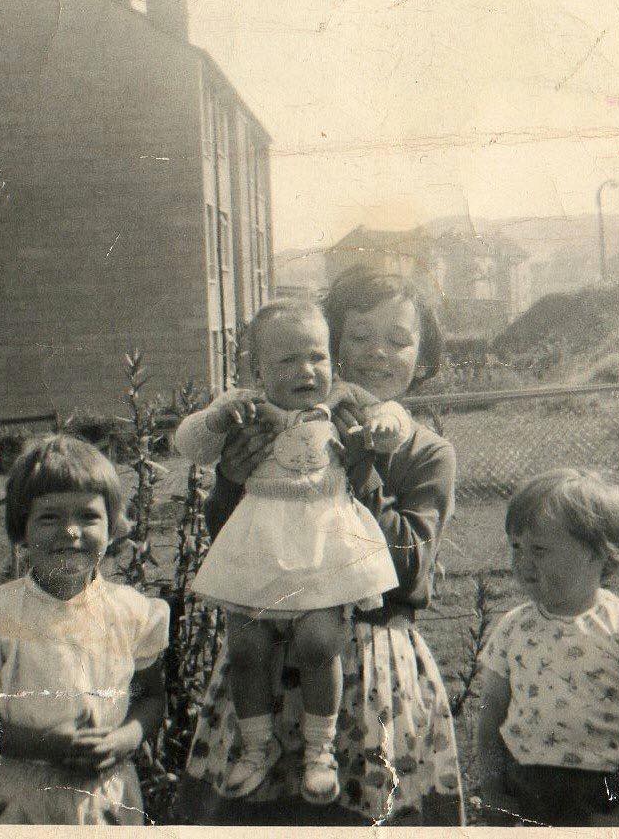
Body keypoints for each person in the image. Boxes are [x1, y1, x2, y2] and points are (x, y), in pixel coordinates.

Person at [175, 268, 464, 825]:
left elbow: (406, 572)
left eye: (399, 340)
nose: (378, 354)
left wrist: (362, 468)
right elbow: (232, 539)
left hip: (370, 664)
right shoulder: (281, 423)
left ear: (423, 355)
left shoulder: (428, 454)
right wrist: (233, 479)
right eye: (358, 337)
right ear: (329, 346)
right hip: (268, 654)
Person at [0, 434, 169, 825]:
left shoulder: (132, 612)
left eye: (88, 516)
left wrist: (124, 739)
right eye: (49, 517)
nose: (70, 531)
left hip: (106, 792)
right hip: (23, 794)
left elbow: (150, 698)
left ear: (112, 525)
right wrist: (46, 747)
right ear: (22, 529)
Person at [475, 469, 619, 827]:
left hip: (604, 796)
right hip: (527, 790)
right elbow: (490, 720)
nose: (523, 562)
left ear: (596, 553)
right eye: (516, 547)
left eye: (538, 549)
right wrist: (492, 789)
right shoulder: (512, 629)